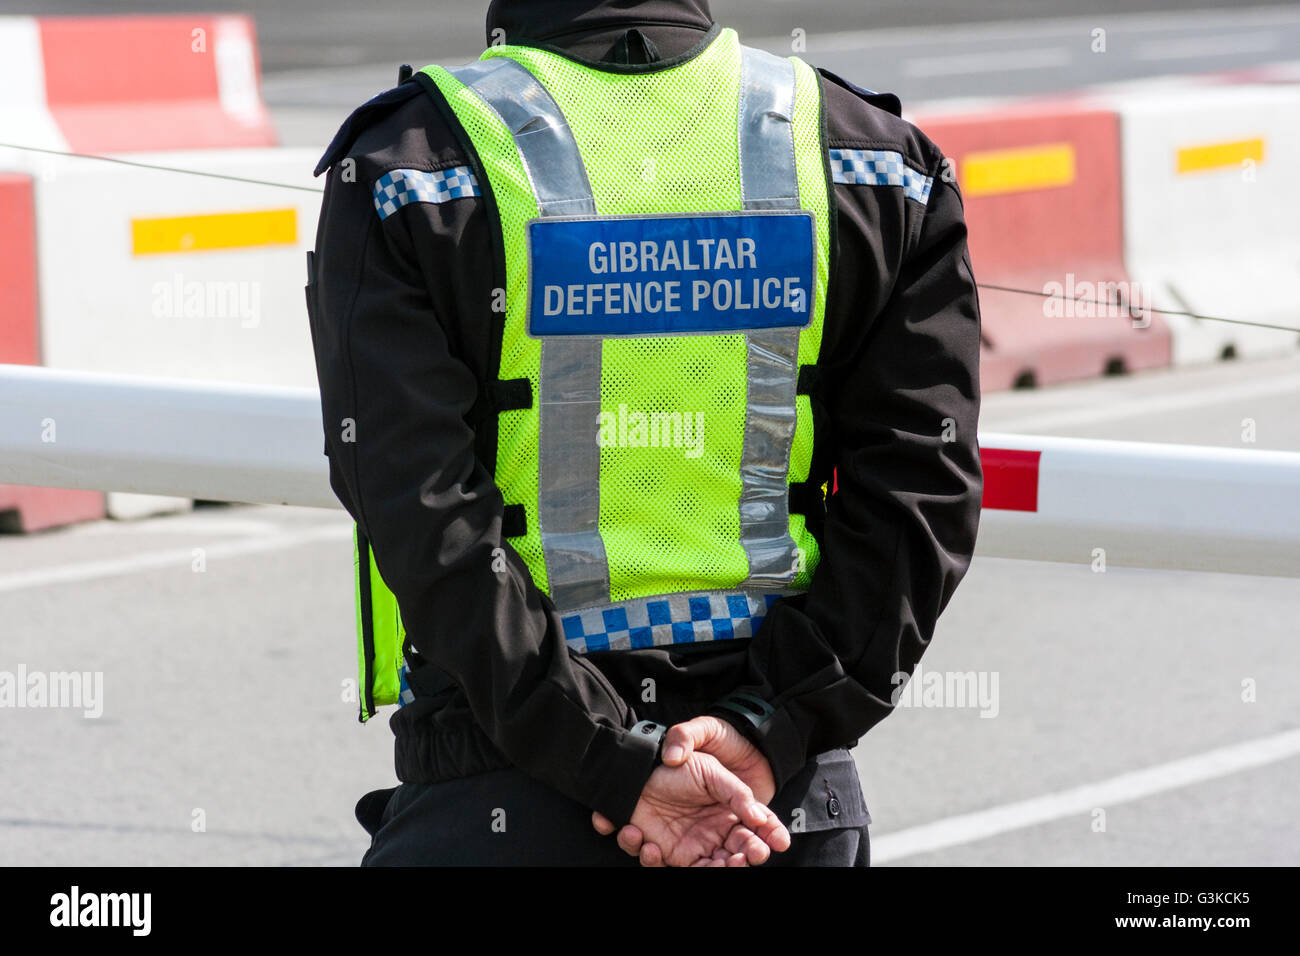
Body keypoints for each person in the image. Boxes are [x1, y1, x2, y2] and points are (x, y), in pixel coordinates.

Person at [308, 0, 983, 867]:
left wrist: (612, 763)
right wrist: (769, 727)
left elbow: (419, 507)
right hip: (774, 809)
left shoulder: (411, 167)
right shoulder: (877, 163)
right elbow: (921, 496)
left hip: (505, 792)